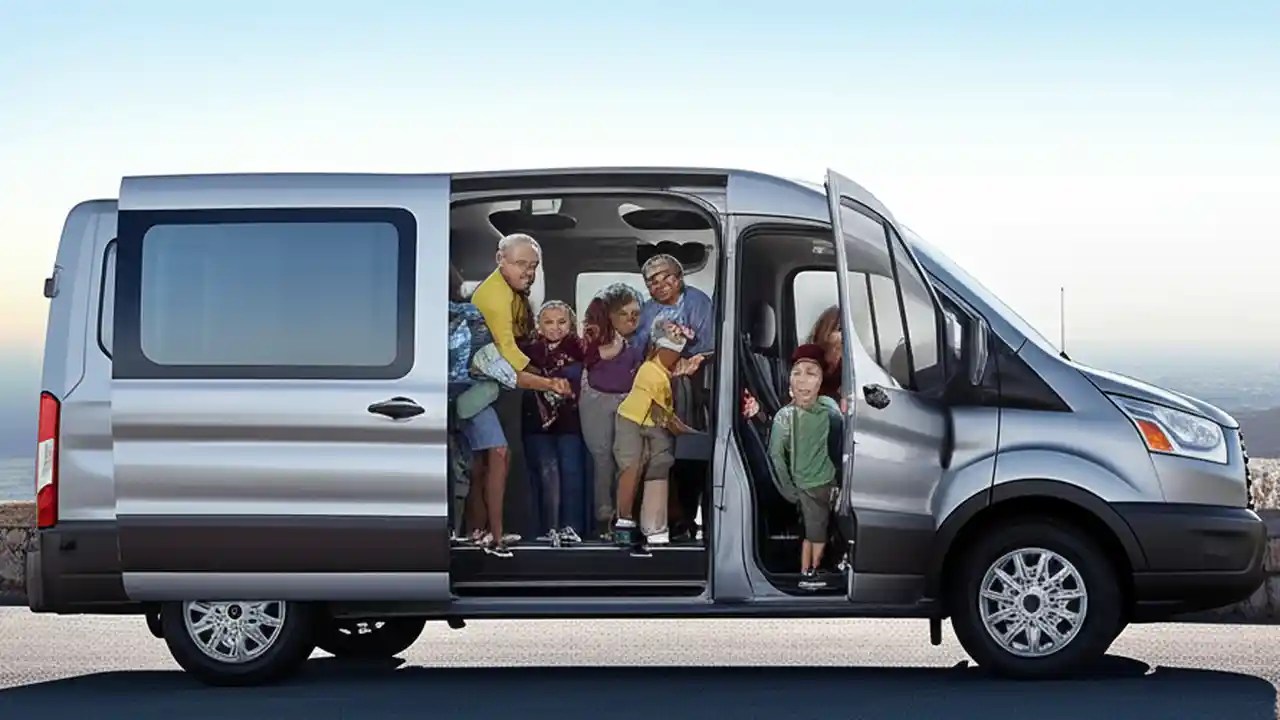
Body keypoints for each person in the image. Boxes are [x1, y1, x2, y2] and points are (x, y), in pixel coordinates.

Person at [467, 233, 573, 557]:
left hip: (487, 389)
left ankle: (481, 533)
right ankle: (494, 537)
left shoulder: (515, 292)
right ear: (500, 260)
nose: (528, 272)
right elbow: (509, 357)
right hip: (472, 390)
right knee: (497, 455)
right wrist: (549, 382)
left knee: (487, 462)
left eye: (533, 267)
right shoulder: (495, 297)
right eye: (520, 264)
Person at [611, 315, 699, 551]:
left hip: (653, 424)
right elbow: (664, 416)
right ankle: (624, 521)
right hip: (632, 420)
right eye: (672, 351)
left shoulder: (663, 373)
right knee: (632, 466)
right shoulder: (650, 372)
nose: (676, 356)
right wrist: (690, 434)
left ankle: (656, 526)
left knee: (660, 465)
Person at [768, 343, 842, 590]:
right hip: (806, 487)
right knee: (815, 533)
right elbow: (776, 457)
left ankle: (814, 569)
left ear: (821, 381)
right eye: (797, 373)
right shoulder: (785, 418)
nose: (803, 381)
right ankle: (810, 574)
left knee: (819, 531)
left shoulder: (829, 409)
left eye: (811, 374)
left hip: (830, 483)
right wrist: (790, 491)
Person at [517, 300, 591, 545]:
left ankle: (573, 529)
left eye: (561, 322)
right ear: (539, 325)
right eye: (548, 322)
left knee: (572, 473)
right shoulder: (526, 351)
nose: (555, 328)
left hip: (571, 421)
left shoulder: (583, 349)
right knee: (545, 473)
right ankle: (545, 530)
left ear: (571, 324)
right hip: (536, 421)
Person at [578, 282, 646, 539]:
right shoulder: (594, 338)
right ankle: (602, 520)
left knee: (627, 461)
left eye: (635, 314)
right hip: (596, 400)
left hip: (628, 402)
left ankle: (625, 518)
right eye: (623, 314)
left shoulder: (640, 340)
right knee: (602, 460)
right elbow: (589, 356)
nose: (631, 320)